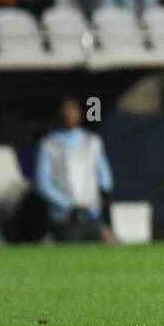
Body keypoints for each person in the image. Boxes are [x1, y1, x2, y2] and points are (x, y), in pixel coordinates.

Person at [35, 98, 115, 243]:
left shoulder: (92, 141)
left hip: (92, 213)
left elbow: (104, 173)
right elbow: (43, 183)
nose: (69, 115)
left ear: (80, 114)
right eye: (66, 111)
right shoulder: (49, 145)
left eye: (73, 110)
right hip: (65, 218)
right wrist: (68, 206)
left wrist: (103, 194)